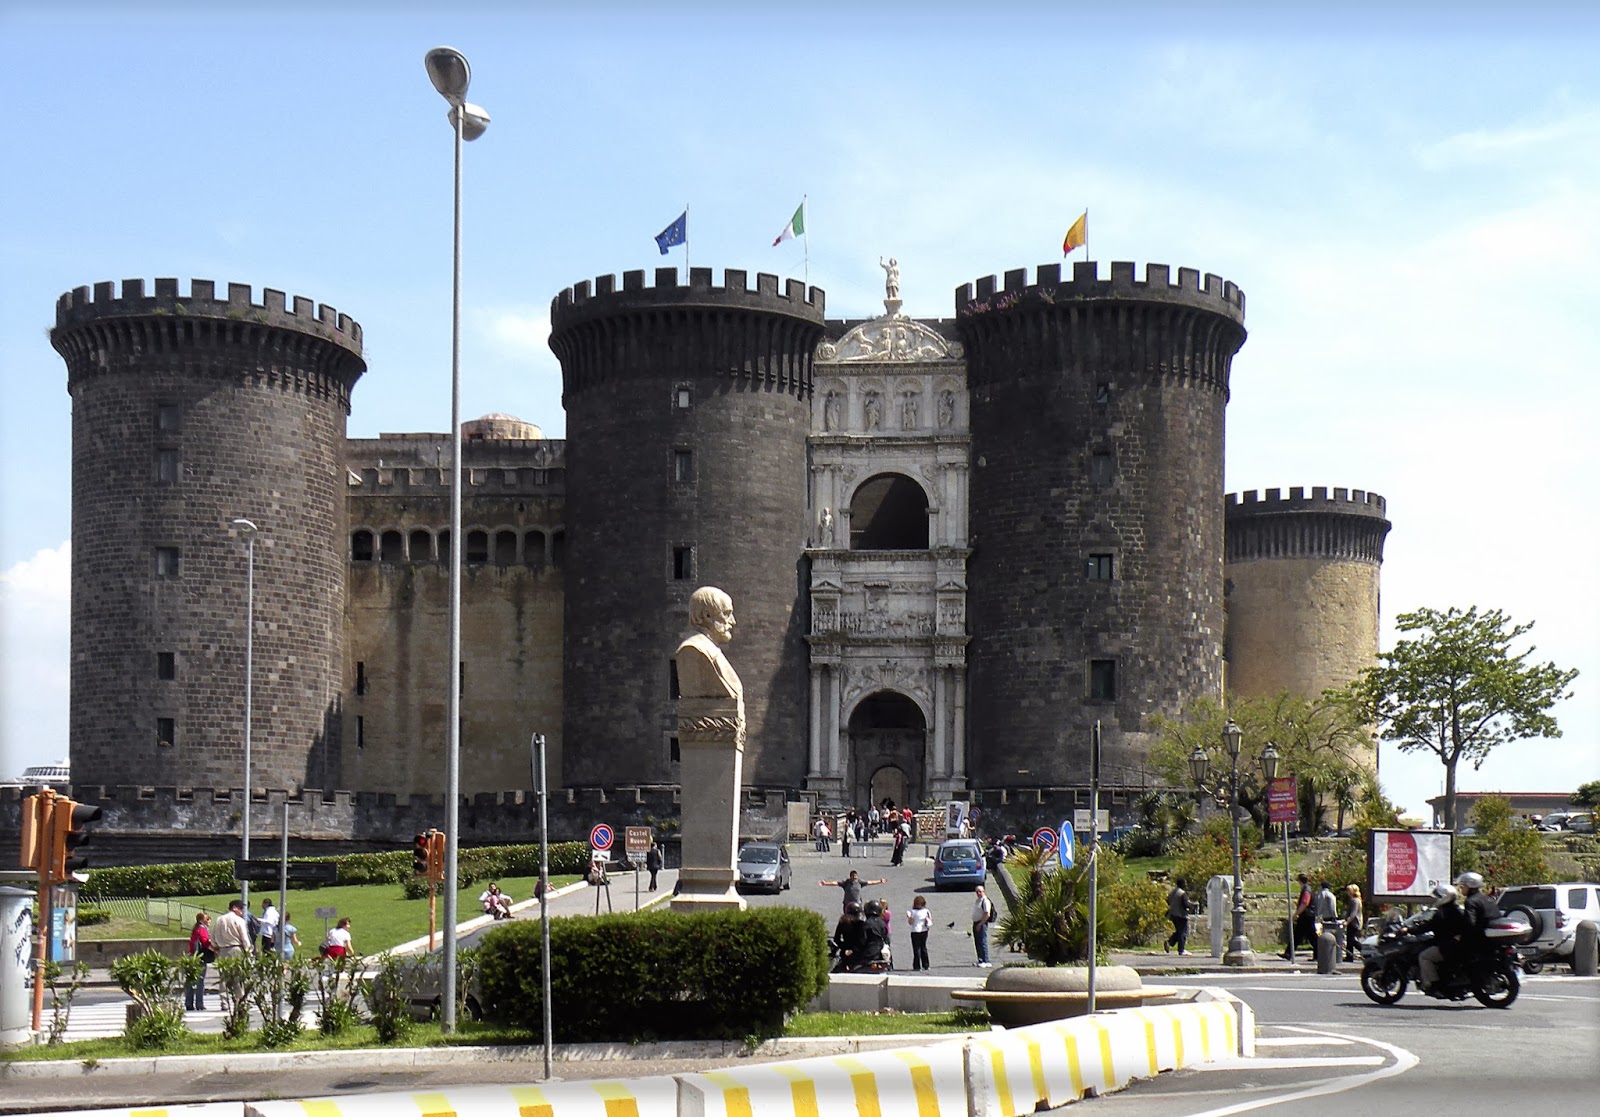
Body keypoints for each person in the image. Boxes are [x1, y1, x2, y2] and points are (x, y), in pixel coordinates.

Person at [1418, 883, 1465, 993]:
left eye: (1438, 897)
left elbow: (1429, 926)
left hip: (1448, 946)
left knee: (1424, 956)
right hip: (1456, 944)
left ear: (1445, 897)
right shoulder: (1457, 909)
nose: (1436, 899)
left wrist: (1409, 930)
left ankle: (1434, 984)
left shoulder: (1443, 913)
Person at [185, 912, 214, 1011]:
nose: (209, 921)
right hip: (200, 957)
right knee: (200, 981)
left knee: (190, 980)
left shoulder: (196, 929)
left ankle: (188, 1003)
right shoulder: (202, 929)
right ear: (201, 920)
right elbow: (205, 942)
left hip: (192, 955)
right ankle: (199, 1003)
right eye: (207, 919)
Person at [819, 869, 885, 911]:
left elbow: (870, 882)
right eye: (853, 876)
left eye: (856, 876)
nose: (855, 877)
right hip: (847, 904)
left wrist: (880, 881)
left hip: (858, 903)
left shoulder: (860, 882)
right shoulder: (846, 882)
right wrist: (825, 883)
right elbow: (835, 883)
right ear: (850, 876)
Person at [1164, 877, 1194, 955]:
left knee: (1179, 932)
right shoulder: (1182, 893)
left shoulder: (1172, 892)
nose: (1186, 885)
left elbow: (1167, 901)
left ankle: (1169, 942)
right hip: (1181, 915)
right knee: (1183, 933)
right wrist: (1192, 905)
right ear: (1182, 884)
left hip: (1173, 914)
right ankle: (1181, 950)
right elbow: (1186, 904)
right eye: (1185, 883)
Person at [1290, 874, 1315, 959]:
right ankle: (1289, 952)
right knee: (1304, 935)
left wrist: (1296, 914)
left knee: (1303, 935)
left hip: (1306, 915)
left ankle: (1289, 953)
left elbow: (1305, 903)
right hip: (1308, 915)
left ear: (1300, 881)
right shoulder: (1308, 889)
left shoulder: (1306, 890)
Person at [1314, 879, 1341, 957]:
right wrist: (1335, 916)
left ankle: (1317, 954)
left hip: (1318, 917)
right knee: (1329, 937)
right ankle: (1328, 954)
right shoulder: (1330, 895)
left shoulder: (1318, 895)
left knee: (1319, 936)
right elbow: (1332, 907)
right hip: (1328, 917)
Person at [906, 895, 932, 971]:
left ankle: (917, 966)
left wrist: (910, 917)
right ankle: (926, 965)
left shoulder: (912, 912)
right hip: (924, 931)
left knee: (916, 949)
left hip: (915, 931)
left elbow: (910, 922)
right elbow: (930, 920)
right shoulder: (926, 911)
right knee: (923, 947)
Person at [972, 885, 996, 967]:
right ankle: (980, 960)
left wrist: (980, 924)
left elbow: (987, 914)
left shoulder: (985, 901)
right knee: (977, 942)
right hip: (976, 923)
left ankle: (986, 961)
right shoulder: (978, 901)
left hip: (981, 923)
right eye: (977, 892)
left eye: (980, 891)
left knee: (982, 942)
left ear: (984, 891)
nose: (978, 893)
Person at [1342, 884, 1366, 962]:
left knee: (1351, 940)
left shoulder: (1355, 900)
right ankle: (1350, 955)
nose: (1347, 892)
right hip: (1354, 922)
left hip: (1354, 923)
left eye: (1349, 890)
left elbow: (1353, 913)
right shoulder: (1356, 900)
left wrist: (1347, 921)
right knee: (1351, 940)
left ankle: (1351, 956)